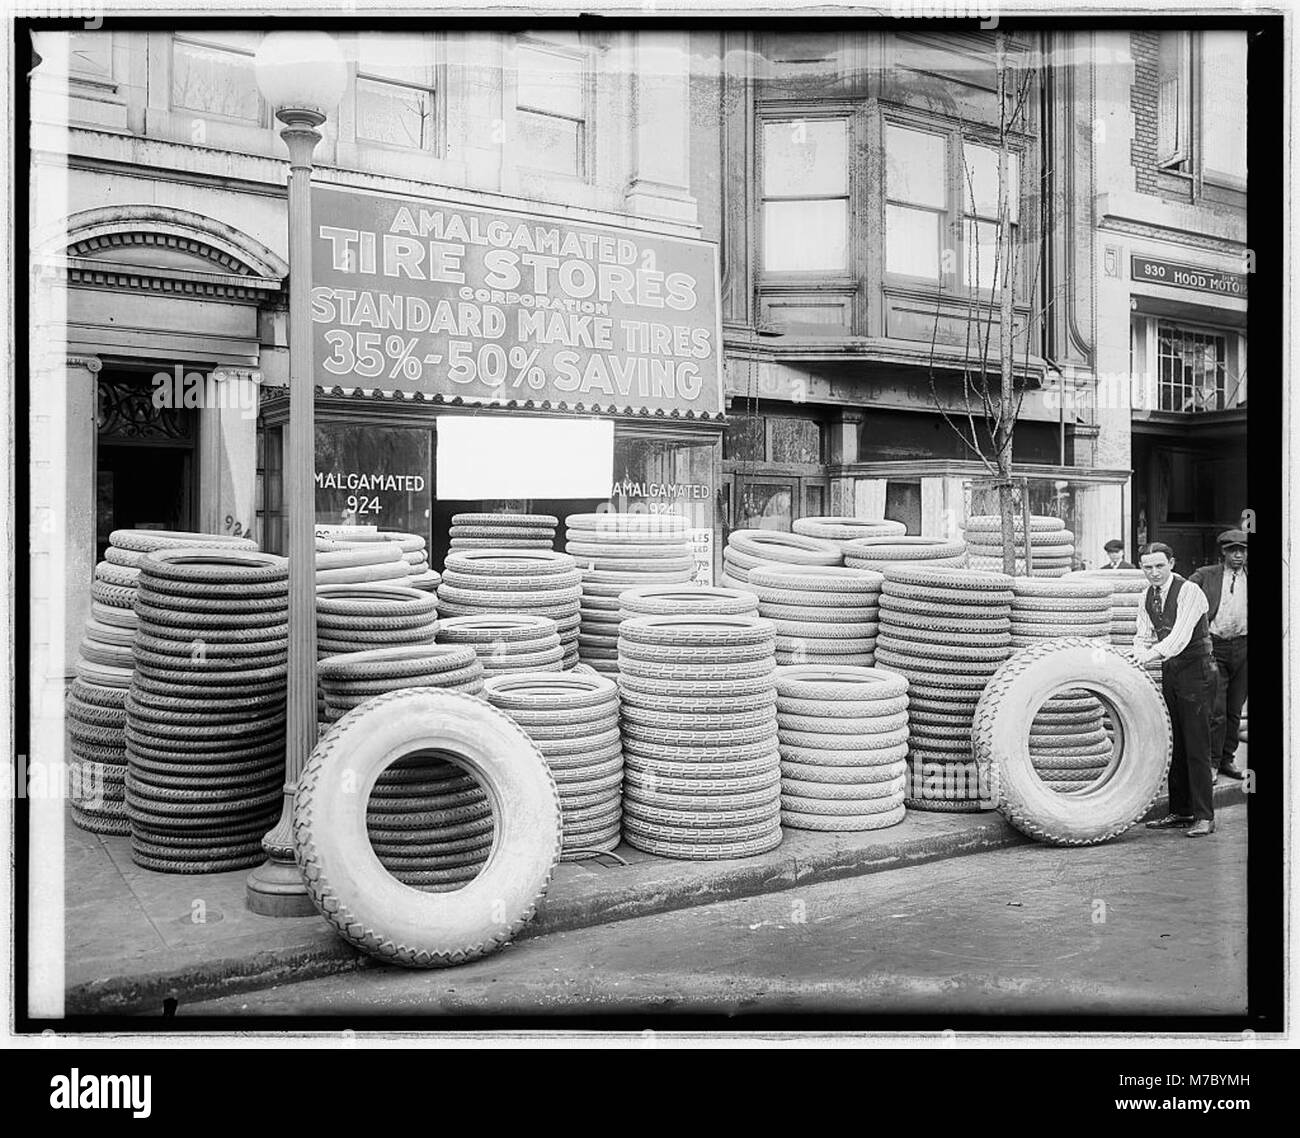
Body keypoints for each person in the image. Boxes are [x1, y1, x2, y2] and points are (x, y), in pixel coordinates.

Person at [1136, 542, 1219, 837]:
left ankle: (1205, 816)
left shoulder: (1190, 591)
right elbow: (1143, 634)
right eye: (1147, 567)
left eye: (1159, 565)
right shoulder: (1147, 595)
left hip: (1197, 670)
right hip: (1170, 670)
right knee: (1176, 744)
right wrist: (1136, 654)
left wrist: (1146, 656)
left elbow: (1180, 638)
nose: (1154, 572)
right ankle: (1181, 811)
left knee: (1197, 745)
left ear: (1172, 562)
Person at [1190, 530, 1248, 781]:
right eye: (1233, 550)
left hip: (1244, 648)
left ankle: (1227, 759)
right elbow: (1184, 596)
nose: (1238, 555)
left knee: (1235, 709)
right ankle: (1212, 763)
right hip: (1215, 647)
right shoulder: (1206, 575)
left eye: (1243, 550)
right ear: (1223, 552)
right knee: (1216, 710)